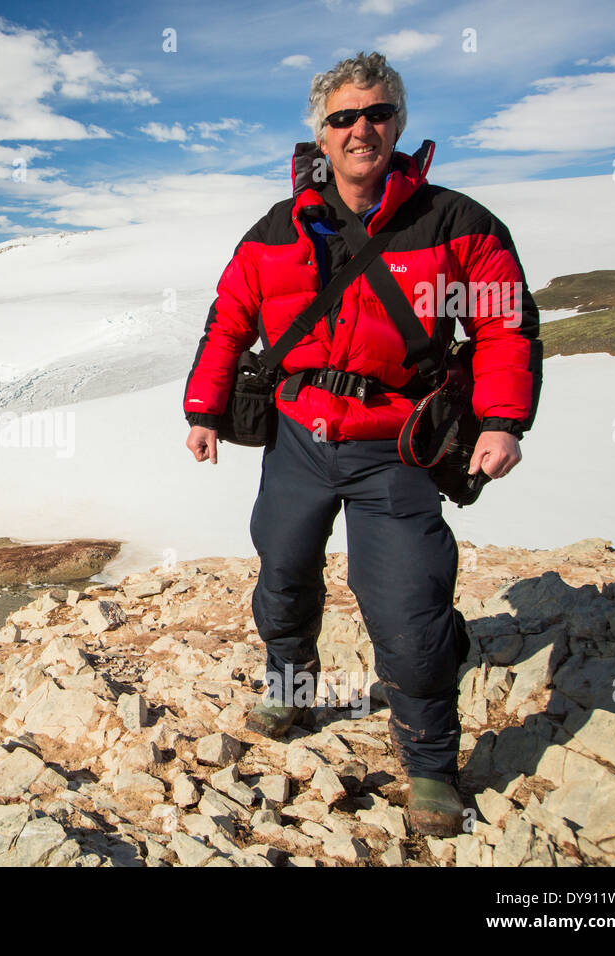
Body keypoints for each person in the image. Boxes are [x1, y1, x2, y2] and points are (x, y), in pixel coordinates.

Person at [182, 51, 542, 837]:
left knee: (411, 616)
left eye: (375, 113)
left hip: (398, 446)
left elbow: (503, 322)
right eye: (343, 117)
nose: (360, 129)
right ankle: (293, 687)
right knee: (283, 577)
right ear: (322, 130)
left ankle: (431, 767)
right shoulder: (276, 231)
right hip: (300, 439)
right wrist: (204, 408)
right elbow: (229, 321)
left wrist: (503, 421)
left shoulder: (457, 223)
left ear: (399, 123)